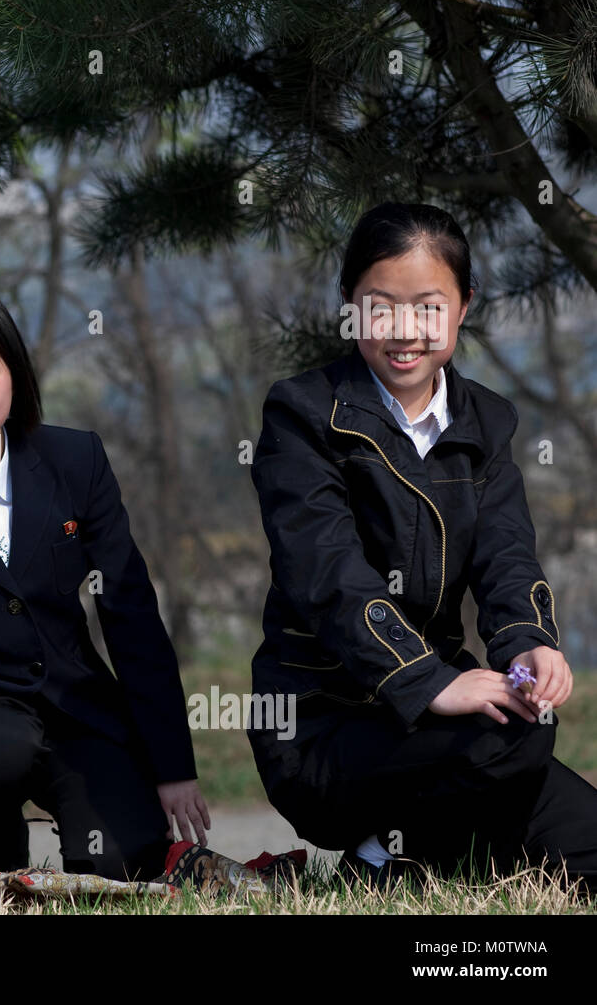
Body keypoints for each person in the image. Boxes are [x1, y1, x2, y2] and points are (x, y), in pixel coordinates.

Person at [0, 287, 281, 898]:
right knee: (1, 747)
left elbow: (130, 616)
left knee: (126, 865)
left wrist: (171, 766)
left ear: (14, 376)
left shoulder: (76, 461)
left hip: (74, 707)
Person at [248, 201, 597, 889]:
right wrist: (428, 680)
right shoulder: (302, 415)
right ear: (350, 305)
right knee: (515, 736)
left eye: (430, 307)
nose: (405, 332)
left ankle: (434, 858)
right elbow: (330, 577)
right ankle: (377, 864)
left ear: (464, 307)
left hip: (449, 730)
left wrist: (532, 643)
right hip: (323, 727)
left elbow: (507, 555)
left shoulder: (484, 422)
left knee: (582, 839)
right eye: (381, 307)